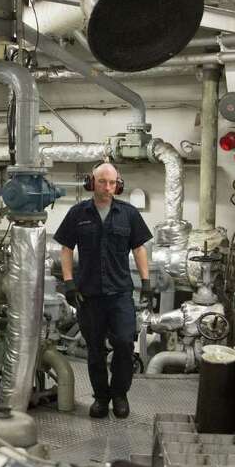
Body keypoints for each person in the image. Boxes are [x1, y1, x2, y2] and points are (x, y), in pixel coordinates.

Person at [53, 163, 152, 418]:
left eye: (112, 183)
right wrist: (69, 282)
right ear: (91, 182)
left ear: (118, 184)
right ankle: (100, 397)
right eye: (102, 182)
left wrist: (146, 282)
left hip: (120, 294)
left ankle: (119, 394)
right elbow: (66, 248)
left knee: (124, 344)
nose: (107, 187)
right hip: (89, 295)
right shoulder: (78, 213)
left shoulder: (128, 214)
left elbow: (139, 248)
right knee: (95, 349)